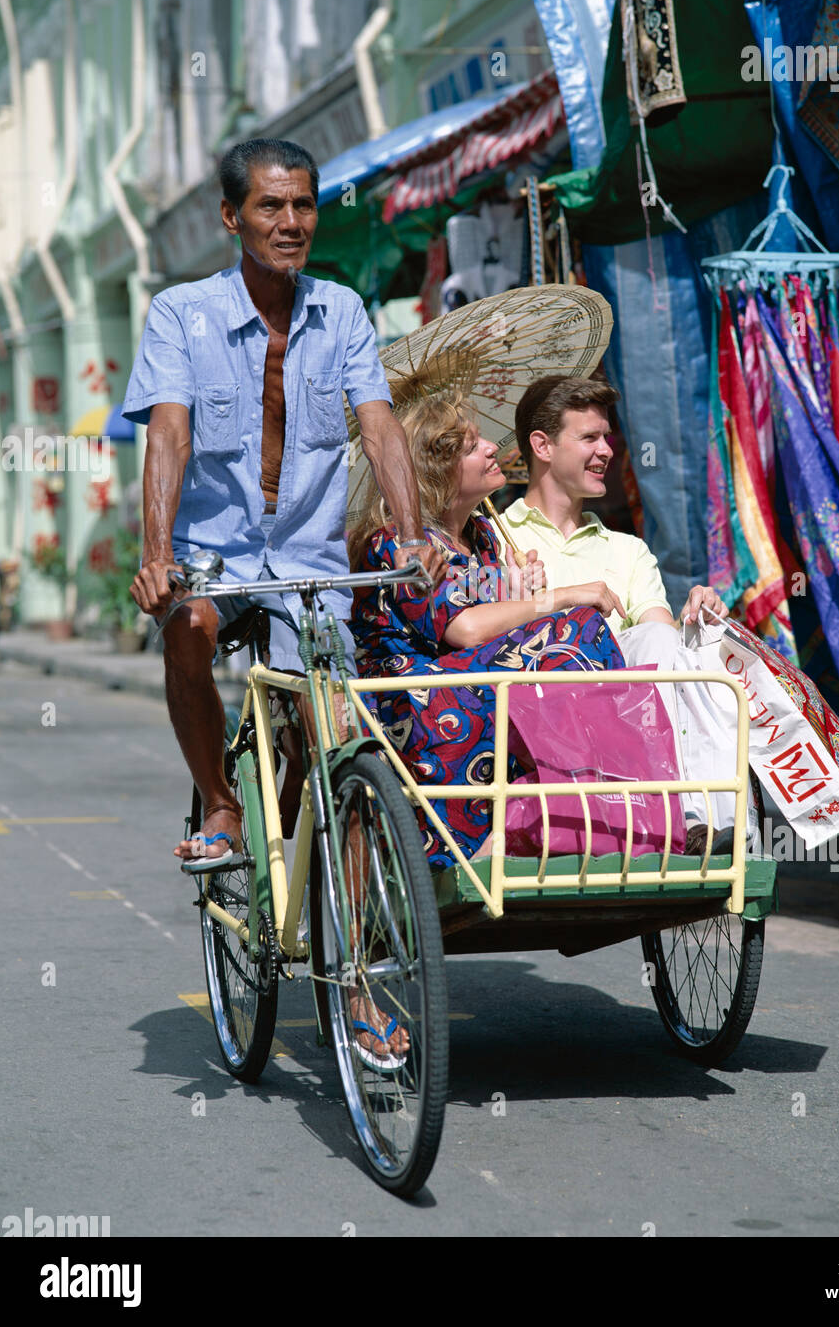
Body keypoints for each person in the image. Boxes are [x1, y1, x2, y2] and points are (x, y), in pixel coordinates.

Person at [123, 139, 448, 1066]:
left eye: (302, 206)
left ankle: (358, 978)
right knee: (186, 624)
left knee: (338, 744)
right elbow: (171, 435)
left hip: (309, 557)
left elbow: (378, 422)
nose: (291, 223)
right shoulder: (181, 313)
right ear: (233, 217)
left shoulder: (342, 309)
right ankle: (223, 806)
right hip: (213, 556)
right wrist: (156, 557)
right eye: (270, 207)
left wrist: (416, 531)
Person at [348, 395, 627, 868]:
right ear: (438, 468)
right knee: (575, 628)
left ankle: (580, 804)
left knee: (574, 638)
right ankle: (562, 812)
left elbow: (496, 618)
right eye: (473, 446)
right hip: (416, 699)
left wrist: (520, 588)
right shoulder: (399, 542)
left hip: (470, 679)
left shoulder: (482, 535)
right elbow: (466, 628)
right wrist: (554, 598)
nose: (493, 448)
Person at [503, 375, 755, 850]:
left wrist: (695, 619)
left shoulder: (627, 549)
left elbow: (658, 640)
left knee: (683, 641)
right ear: (543, 445)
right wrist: (530, 599)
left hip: (623, 714)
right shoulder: (496, 538)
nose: (607, 450)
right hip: (538, 716)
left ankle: (693, 811)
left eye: (607, 437)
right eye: (589, 438)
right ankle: (687, 812)